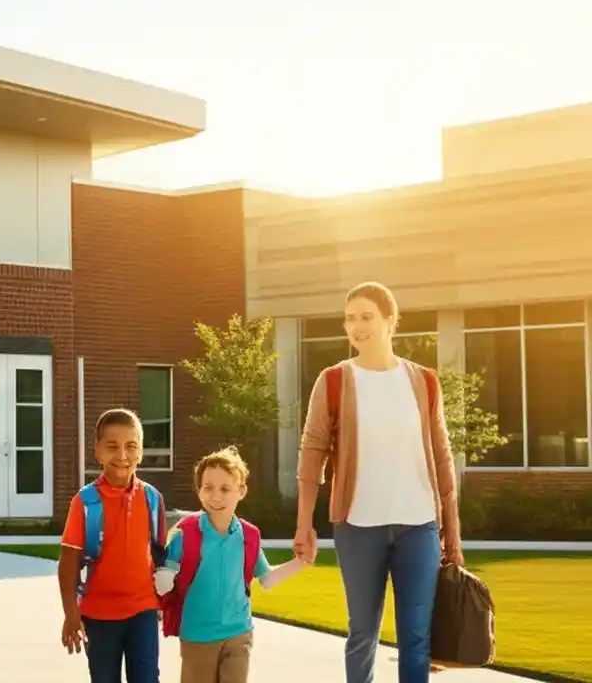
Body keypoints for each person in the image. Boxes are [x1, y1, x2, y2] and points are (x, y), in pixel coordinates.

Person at [294, 281, 463, 683]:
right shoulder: (334, 380)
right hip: (357, 526)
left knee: (416, 638)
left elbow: (442, 457)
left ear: (391, 321)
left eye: (366, 317)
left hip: (418, 525)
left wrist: (452, 529)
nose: (356, 326)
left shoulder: (423, 381)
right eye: (349, 319)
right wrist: (304, 522)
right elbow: (312, 451)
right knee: (363, 634)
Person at [156, 447, 305, 683]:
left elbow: (266, 579)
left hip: (238, 633)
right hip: (198, 634)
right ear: (199, 491)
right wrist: (164, 578)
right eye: (209, 488)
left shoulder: (249, 536)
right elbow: (167, 574)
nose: (216, 496)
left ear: (241, 491)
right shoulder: (186, 534)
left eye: (225, 488)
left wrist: (301, 563)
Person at [58, 409, 166, 683]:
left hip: (142, 610)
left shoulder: (153, 499)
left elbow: (160, 556)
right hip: (98, 614)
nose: (122, 455)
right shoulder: (85, 502)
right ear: (98, 451)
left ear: (140, 451)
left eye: (131, 447)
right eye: (112, 447)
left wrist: (166, 603)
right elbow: (68, 563)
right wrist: (72, 614)